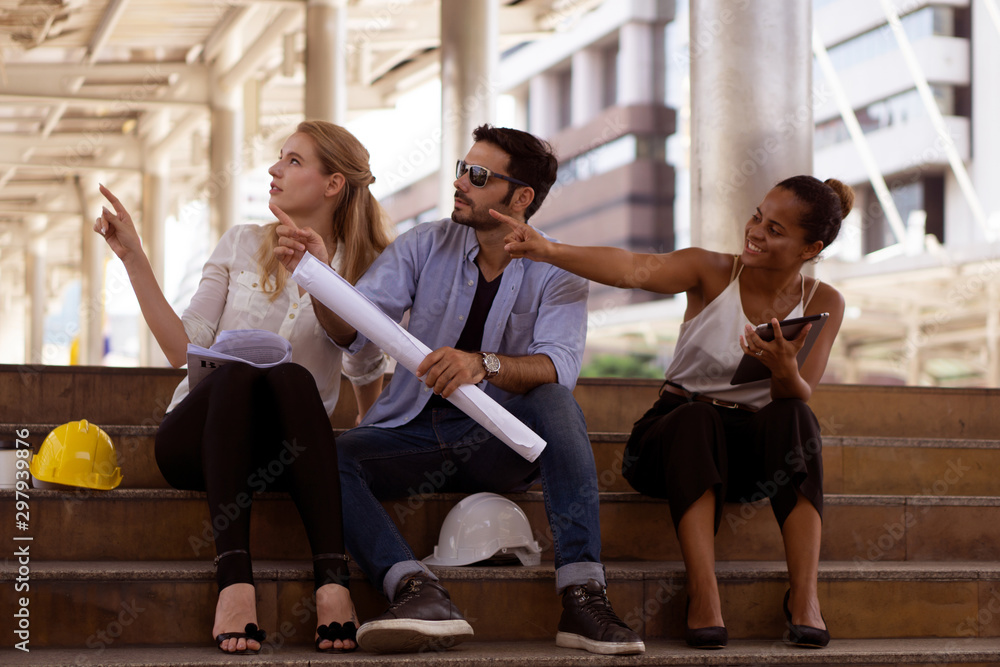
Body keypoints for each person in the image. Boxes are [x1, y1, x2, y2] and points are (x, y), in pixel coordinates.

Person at [273, 125, 645, 656]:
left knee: (556, 401)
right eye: (461, 170)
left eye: (478, 176)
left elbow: (559, 366)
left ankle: (583, 597)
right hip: (412, 432)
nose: (460, 184)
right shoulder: (424, 244)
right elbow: (354, 334)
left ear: (521, 197)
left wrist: (483, 364)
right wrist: (319, 276)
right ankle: (415, 588)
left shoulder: (557, 269)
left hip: (498, 441)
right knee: (323, 458)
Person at [500, 175, 853, 650]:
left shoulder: (824, 301)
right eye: (757, 217)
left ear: (810, 248)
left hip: (747, 458)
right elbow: (634, 266)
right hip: (673, 440)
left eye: (775, 229)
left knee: (797, 417)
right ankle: (703, 593)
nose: (755, 231)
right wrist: (549, 250)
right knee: (697, 417)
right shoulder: (712, 271)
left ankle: (805, 597)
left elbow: (799, 392)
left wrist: (784, 368)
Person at [93, 120, 393, 654]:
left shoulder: (366, 268)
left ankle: (331, 582)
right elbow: (180, 350)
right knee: (233, 371)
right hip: (201, 438)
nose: (275, 169)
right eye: (280, 158)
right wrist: (133, 258)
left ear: (333, 184)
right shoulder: (240, 243)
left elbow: (364, 367)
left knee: (292, 377)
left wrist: (319, 274)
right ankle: (233, 579)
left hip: (287, 450)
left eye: (294, 161)